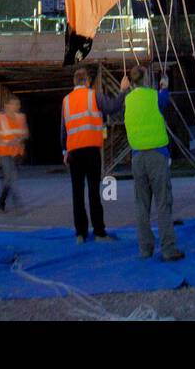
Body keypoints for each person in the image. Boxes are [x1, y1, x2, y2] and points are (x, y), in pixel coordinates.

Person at [120, 65, 184, 261]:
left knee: (141, 204)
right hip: (157, 155)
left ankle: (145, 249)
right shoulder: (155, 96)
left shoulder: (127, 99)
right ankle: (168, 248)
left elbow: (120, 100)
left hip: (137, 157)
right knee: (163, 202)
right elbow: (164, 98)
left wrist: (124, 90)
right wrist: (165, 85)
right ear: (146, 79)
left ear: (130, 82)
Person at [60, 67, 120, 243]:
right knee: (94, 192)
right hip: (92, 150)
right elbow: (112, 107)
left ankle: (80, 233)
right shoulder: (94, 95)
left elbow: (63, 129)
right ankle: (99, 232)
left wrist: (64, 150)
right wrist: (123, 92)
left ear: (74, 82)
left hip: (73, 152)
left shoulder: (66, 100)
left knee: (77, 193)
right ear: (87, 81)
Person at [0, 95, 29, 213]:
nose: (17, 106)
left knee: (8, 179)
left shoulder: (21, 117)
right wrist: (8, 142)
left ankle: (0, 203)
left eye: (18, 104)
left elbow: (26, 134)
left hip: (16, 154)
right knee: (11, 176)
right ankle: (18, 203)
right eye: (14, 104)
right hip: (4, 152)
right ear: (6, 105)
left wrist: (19, 139)